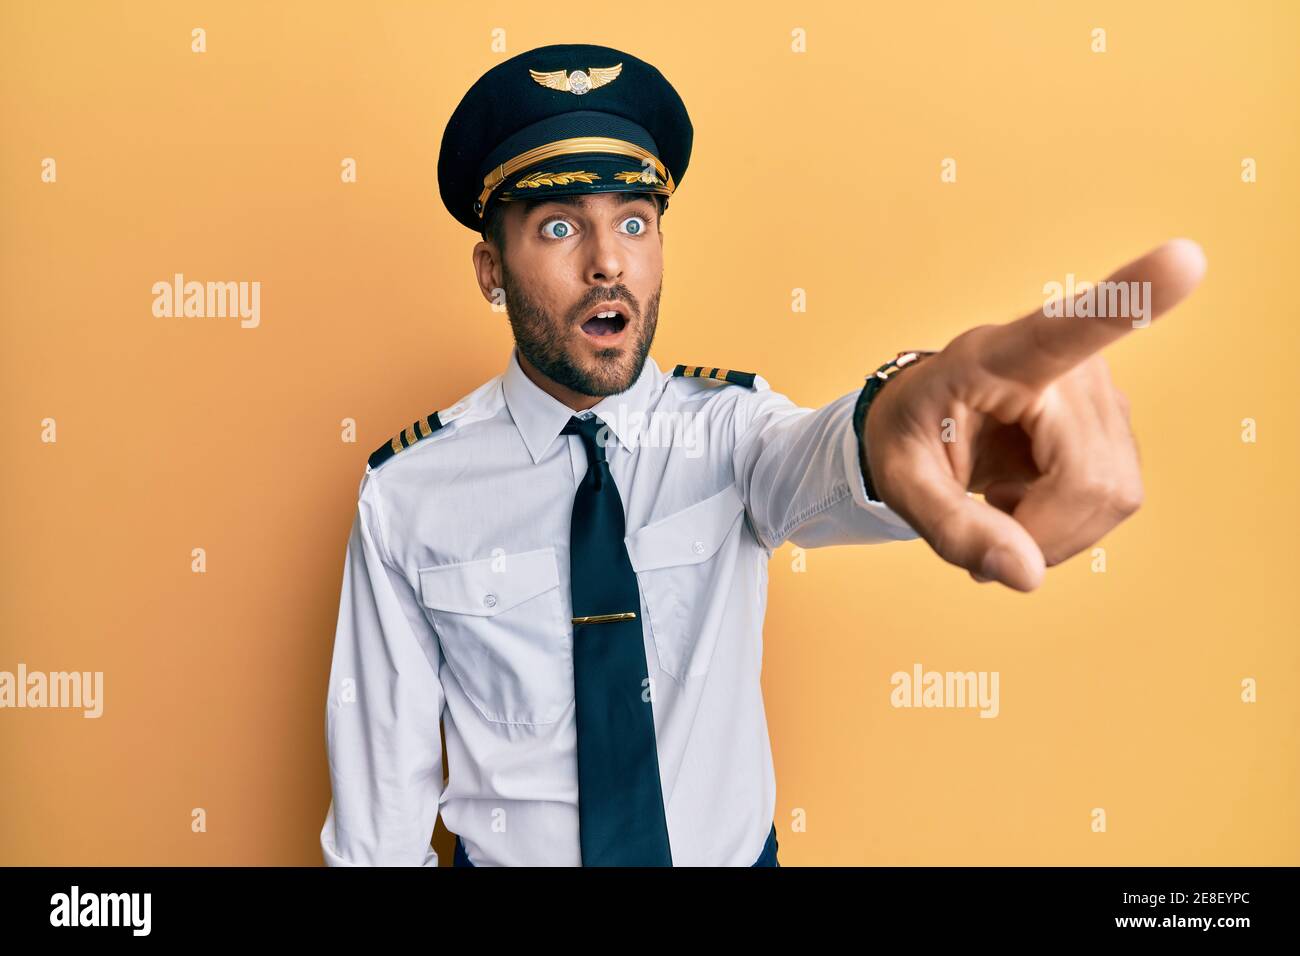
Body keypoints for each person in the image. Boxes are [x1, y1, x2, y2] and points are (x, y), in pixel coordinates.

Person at [319, 42, 1206, 867]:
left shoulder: (733, 431)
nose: (606, 264)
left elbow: (825, 458)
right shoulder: (408, 495)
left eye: (634, 223)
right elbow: (380, 810)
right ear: (490, 270)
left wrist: (913, 418)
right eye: (558, 228)